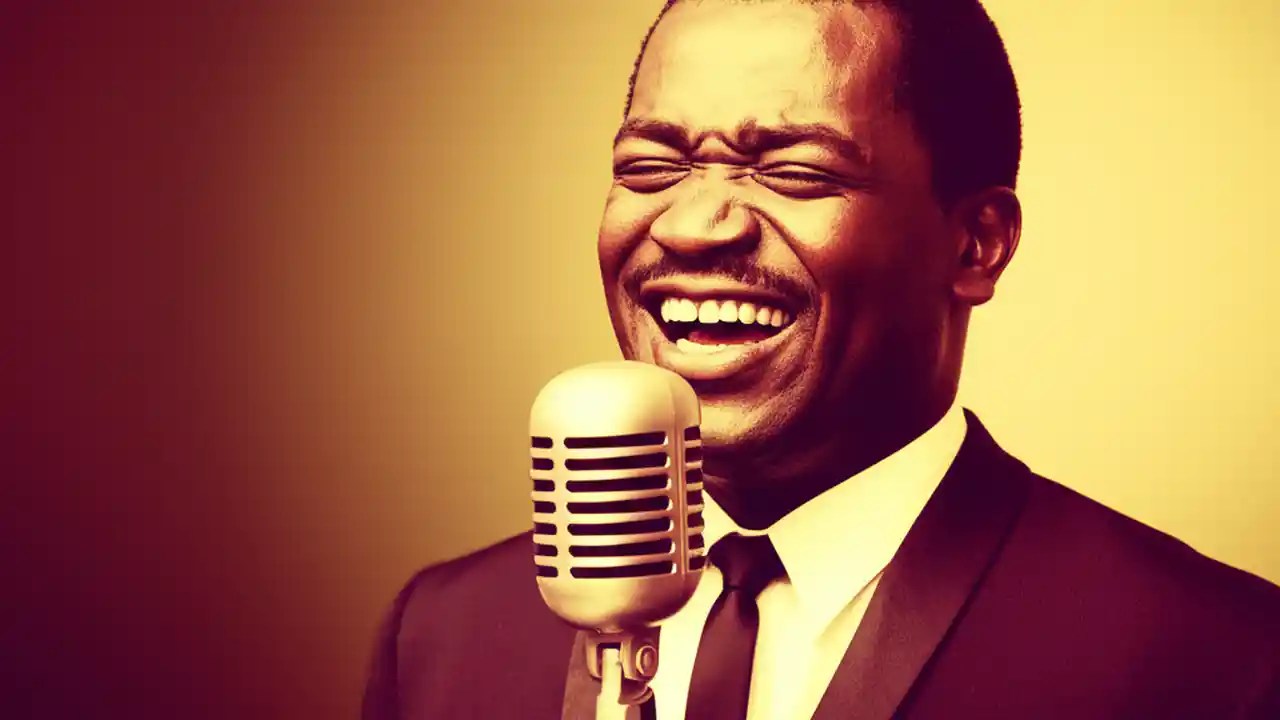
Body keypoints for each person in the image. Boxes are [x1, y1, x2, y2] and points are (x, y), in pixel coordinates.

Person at [363, 1, 1280, 718]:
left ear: (976, 244)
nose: (693, 225)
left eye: (795, 172)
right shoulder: (443, 638)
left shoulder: (1219, 663)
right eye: (650, 168)